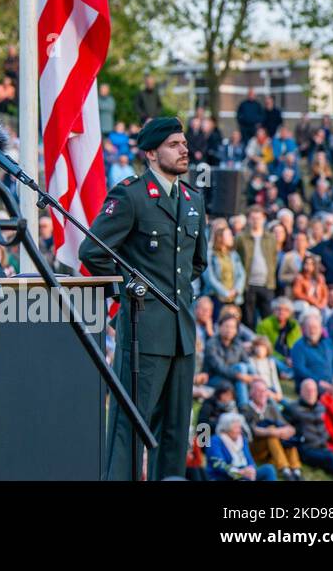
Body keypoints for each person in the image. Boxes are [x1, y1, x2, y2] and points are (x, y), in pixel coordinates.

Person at [79, 116, 207, 481]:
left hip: (182, 331)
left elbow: (197, 263)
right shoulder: (131, 195)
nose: (184, 150)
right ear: (151, 153)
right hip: (142, 331)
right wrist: (132, 288)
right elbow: (94, 251)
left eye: (184, 144)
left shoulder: (193, 198)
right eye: (174, 145)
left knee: (175, 429)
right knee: (129, 426)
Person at [241, 379, 301, 480]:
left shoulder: (271, 408)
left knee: (287, 436)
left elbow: (289, 428)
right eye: (259, 391)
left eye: (264, 391)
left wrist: (282, 432)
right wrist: (273, 431)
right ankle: (284, 469)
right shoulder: (246, 408)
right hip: (255, 449)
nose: (262, 394)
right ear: (251, 393)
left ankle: (296, 469)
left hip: (272, 451)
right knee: (271, 433)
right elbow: (253, 430)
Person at [206, 412, 275, 481]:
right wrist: (239, 472)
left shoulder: (242, 439)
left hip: (244, 472)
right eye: (236, 428)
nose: (239, 431)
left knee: (268, 469)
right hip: (225, 476)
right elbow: (218, 464)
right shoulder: (215, 441)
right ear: (226, 429)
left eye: (239, 427)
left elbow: (249, 460)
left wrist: (251, 470)